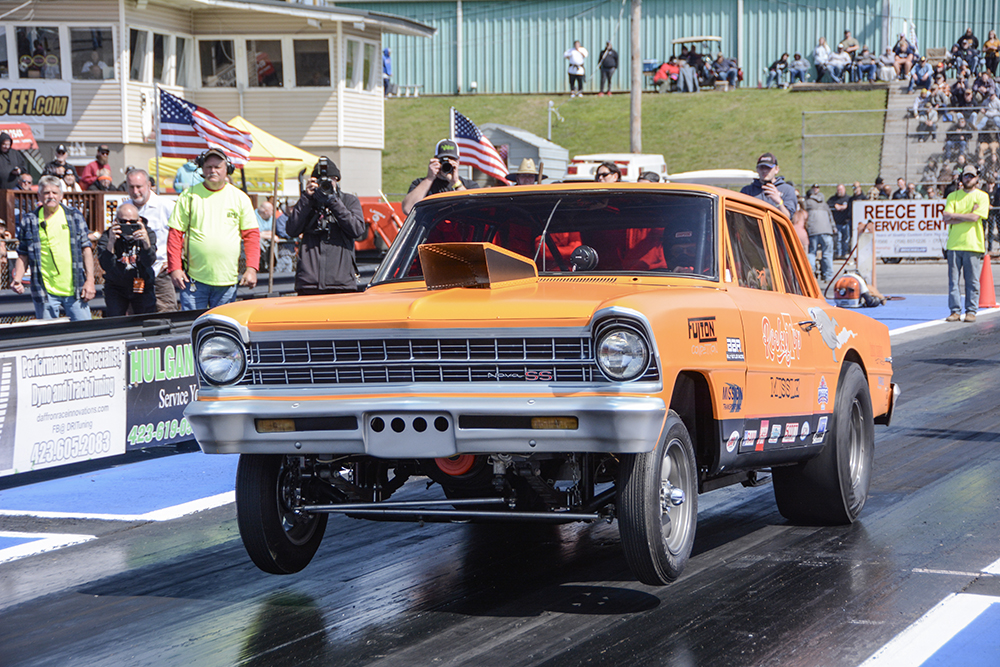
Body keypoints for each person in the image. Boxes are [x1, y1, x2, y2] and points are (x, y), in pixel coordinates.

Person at [167, 147, 259, 310]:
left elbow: (251, 236)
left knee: (222, 324)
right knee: (192, 323)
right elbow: (175, 235)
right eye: (208, 167)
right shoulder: (188, 196)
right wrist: (175, 268)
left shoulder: (240, 198)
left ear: (227, 169)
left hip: (227, 280)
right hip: (193, 279)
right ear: (202, 169)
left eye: (217, 167)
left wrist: (251, 269)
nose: (213, 171)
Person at [9, 175, 95, 320]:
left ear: (61, 195)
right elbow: (23, 254)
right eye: (46, 193)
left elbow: (86, 249)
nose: (51, 196)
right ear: (39, 196)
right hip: (45, 292)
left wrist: (90, 281)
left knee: (85, 330)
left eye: (54, 192)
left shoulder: (74, 216)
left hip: (75, 289)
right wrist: (17, 278)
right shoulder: (30, 220)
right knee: (48, 333)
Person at [285, 158, 366, 295]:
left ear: (336, 180)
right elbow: (291, 230)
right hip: (309, 283)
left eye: (330, 180)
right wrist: (306, 199)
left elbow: (357, 230)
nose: (325, 184)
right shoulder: (308, 203)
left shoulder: (348, 201)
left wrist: (334, 202)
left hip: (341, 282)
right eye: (321, 181)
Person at [125, 168, 177, 312]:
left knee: (166, 315)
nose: (135, 191)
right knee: (135, 317)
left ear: (148, 185)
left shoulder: (166, 206)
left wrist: (175, 262)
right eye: (131, 187)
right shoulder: (124, 208)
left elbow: (182, 236)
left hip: (160, 272)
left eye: (139, 187)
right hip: (133, 275)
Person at [943, 165, 989, 322]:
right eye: (966, 176)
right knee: (953, 281)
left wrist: (955, 216)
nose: (968, 179)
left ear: (977, 178)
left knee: (972, 281)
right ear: (961, 178)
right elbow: (946, 218)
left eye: (971, 176)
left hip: (973, 244)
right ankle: (955, 311)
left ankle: (971, 310)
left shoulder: (982, 196)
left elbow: (975, 218)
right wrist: (968, 214)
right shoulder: (953, 196)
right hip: (954, 244)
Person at [98, 202, 157, 317]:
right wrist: (111, 242)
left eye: (132, 222)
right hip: (116, 286)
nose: (128, 225)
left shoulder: (147, 233)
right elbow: (106, 265)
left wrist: (146, 243)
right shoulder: (108, 235)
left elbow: (149, 262)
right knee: (115, 320)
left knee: (146, 319)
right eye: (123, 222)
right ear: (116, 221)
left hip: (142, 284)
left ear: (139, 220)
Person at [402, 139, 479, 215]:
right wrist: (429, 178)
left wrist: (455, 183)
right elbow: (408, 209)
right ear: (435, 160)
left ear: (458, 161)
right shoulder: (420, 184)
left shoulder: (470, 186)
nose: (447, 164)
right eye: (442, 160)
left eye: (452, 160)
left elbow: (476, 210)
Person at [740, 152, 796, 218]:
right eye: (761, 167)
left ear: (776, 169)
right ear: (757, 169)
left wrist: (778, 201)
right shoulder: (747, 191)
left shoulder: (787, 190)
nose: (764, 171)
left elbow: (788, 217)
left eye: (768, 168)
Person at [804, 185, 835, 282]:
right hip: (826, 230)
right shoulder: (824, 204)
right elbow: (830, 216)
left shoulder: (807, 203)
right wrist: (833, 227)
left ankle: (811, 275)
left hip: (813, 231)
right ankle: (828, 275)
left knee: (812, 252)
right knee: (827, 253)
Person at [255, 199, 294, 274]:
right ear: (266, 211)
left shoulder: (271, 218)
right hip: (257, 248)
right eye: (272, 210)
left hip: (270, 245)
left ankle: (271, 265)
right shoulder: (254, 217)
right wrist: (270, 236)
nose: (274, 212)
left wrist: (266, 234)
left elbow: (273, 232)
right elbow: (256, 234)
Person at [827, 183, 853, 258]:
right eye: (838, 190)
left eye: (841, 189)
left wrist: (845, 207)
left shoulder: (848, 198)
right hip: (837, 223)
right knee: (838, 239)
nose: (840, 191)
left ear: (844, 189)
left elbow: (852, 205)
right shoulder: (833, 199)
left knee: (846, 239)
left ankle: (845, 253)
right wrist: (835, 206)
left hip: (846, 222)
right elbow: (827, 205)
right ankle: (839, 254)